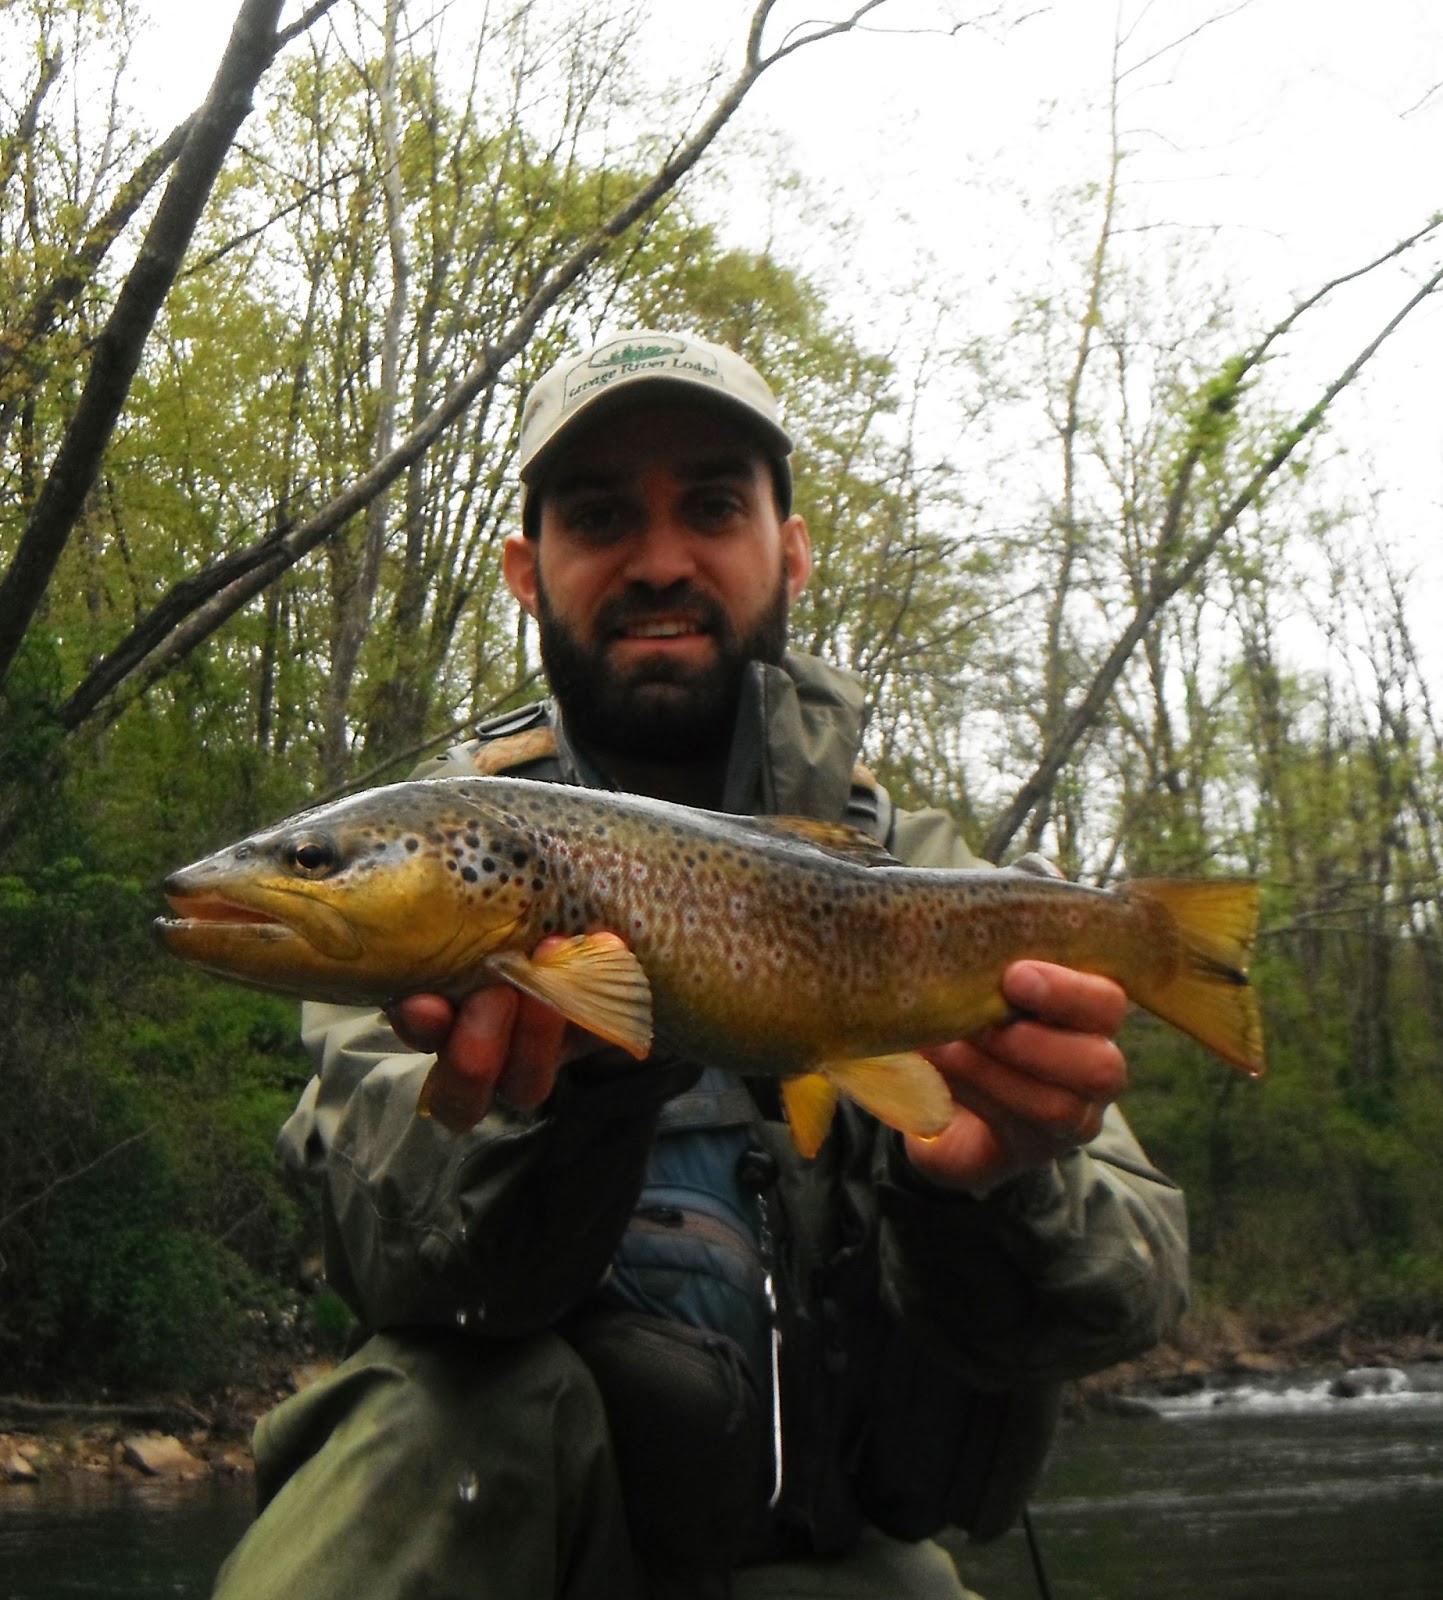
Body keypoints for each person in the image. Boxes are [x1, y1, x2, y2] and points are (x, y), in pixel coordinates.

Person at [212, 329, 1188, 1600]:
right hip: (529, 1538)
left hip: (841, 1557)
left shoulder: (934, 873)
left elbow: (1134, 1280)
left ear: (792, 548)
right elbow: (388, 1249)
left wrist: (1001, 1184)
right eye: (602, 513)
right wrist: (545, 1120)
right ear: (525, 568)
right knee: (415, 1422)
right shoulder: (429, 855)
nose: (661, 559)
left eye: (714, 506)